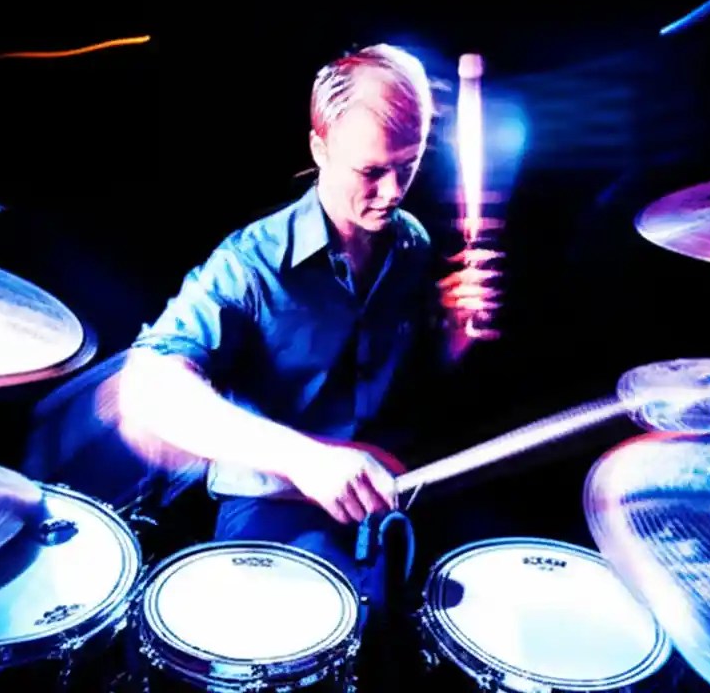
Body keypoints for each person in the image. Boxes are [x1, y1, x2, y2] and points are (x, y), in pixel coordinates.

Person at [114, 42, 498, 684]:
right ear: (320, 148)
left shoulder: (413, 246)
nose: (391, 194)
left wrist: (453, 340)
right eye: (370, 171)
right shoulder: (249, 265)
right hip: (274, 500)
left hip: (389, 486)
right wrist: (305, 458)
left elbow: (416, 380)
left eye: (409, 166)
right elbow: (151, 385)